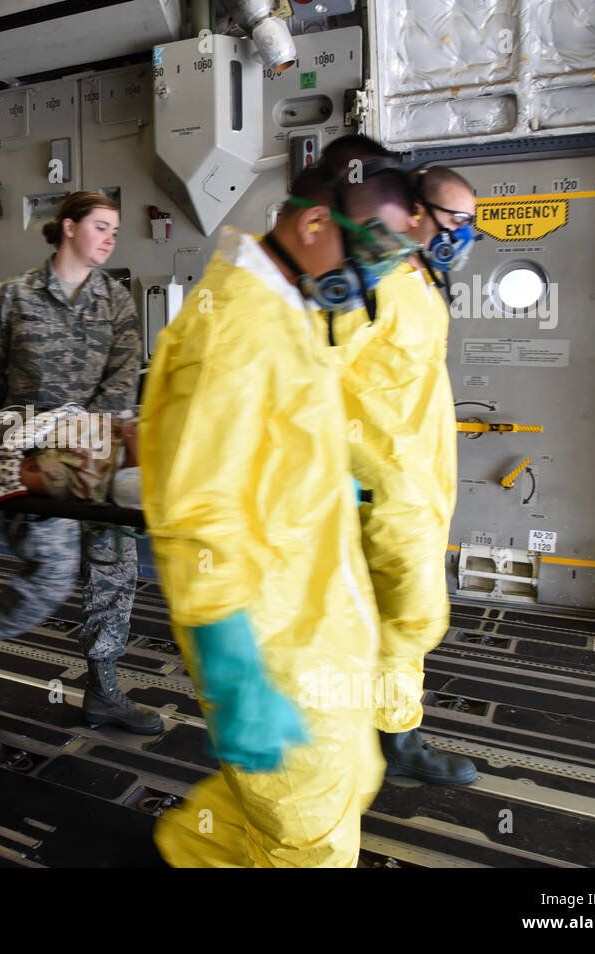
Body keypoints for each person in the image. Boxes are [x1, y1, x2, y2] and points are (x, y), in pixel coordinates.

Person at [140, 147, 420, 867]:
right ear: (318, 223)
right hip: (275, 648)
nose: (377, 279)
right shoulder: (234, 329)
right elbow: (196, 514)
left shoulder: (286, 312)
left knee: (345, 786)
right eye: (378, 252)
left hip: (320, 626)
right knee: (310, 842)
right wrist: (235, 670)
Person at [0, 190, 161, 734]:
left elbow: (122, 376)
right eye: (101, 226)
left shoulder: (115, 300)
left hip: (95, 460)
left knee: (114, 571)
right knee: (51, 575)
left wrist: (89, 446)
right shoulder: (16, 298)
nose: (111, 237)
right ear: (68, 227)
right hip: (34, 462)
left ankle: (103, 689)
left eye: (116, 228)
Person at [321, 138, 478, 785]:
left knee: (402, 619)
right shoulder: (368, 282)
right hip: (383, 480)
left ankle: (392, 734)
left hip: (421, 478)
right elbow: (314, 371)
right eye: (454, 221)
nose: (463, 235)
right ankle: (385, 739)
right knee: (409, 616)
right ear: (415, 211)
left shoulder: (420, 275)